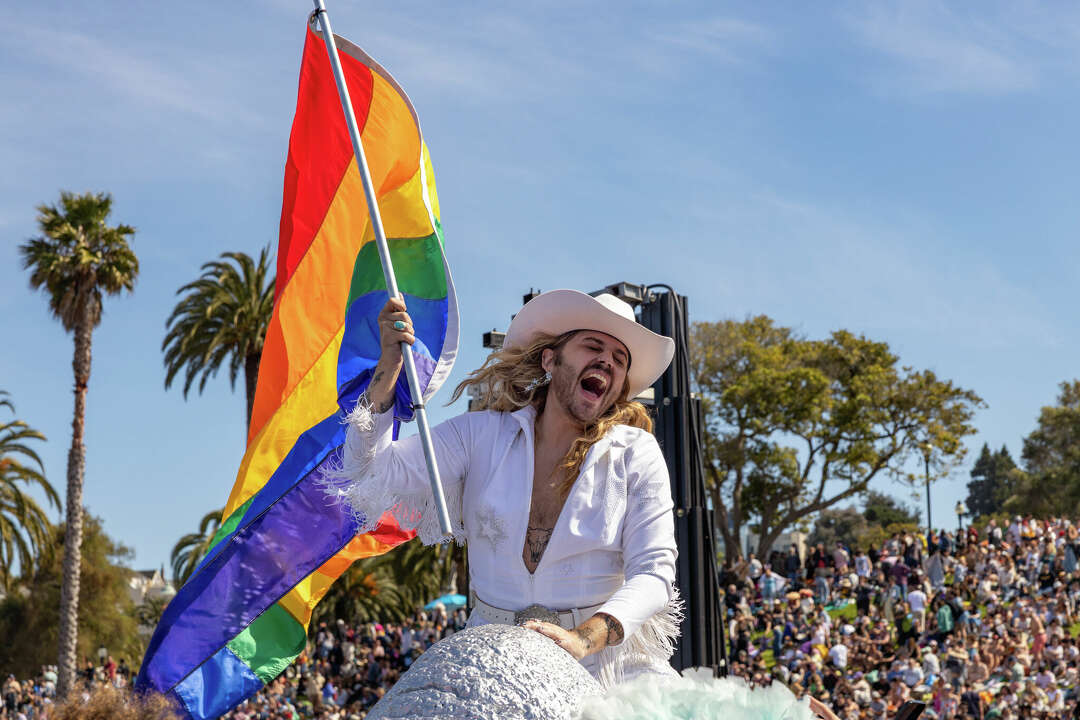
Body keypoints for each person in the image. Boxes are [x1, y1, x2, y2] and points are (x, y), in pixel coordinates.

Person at [328, 290, 679, 687]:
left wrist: (582, 639)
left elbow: (654, 573)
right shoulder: (481, 435)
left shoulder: (636, 452)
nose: (606, 361)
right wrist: (388, 368)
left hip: (607, 672)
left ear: (618, 388)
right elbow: (372, 470)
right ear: (550, 359)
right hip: (489, 666)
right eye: (593, 346)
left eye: (620, 359)